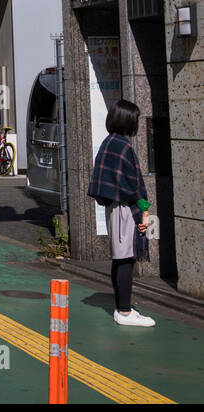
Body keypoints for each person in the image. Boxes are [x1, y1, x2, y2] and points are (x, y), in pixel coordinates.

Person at [87, 100, 155, 327]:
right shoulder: (122, 146)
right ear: (127, 120)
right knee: (125, 259)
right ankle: (125, 312)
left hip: (115, 208)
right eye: (134, 119)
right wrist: (144, 210)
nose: (136, 123)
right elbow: (133, 185)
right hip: (125, 209)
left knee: (120, 258)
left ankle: (122, 308)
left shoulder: (109, 142)